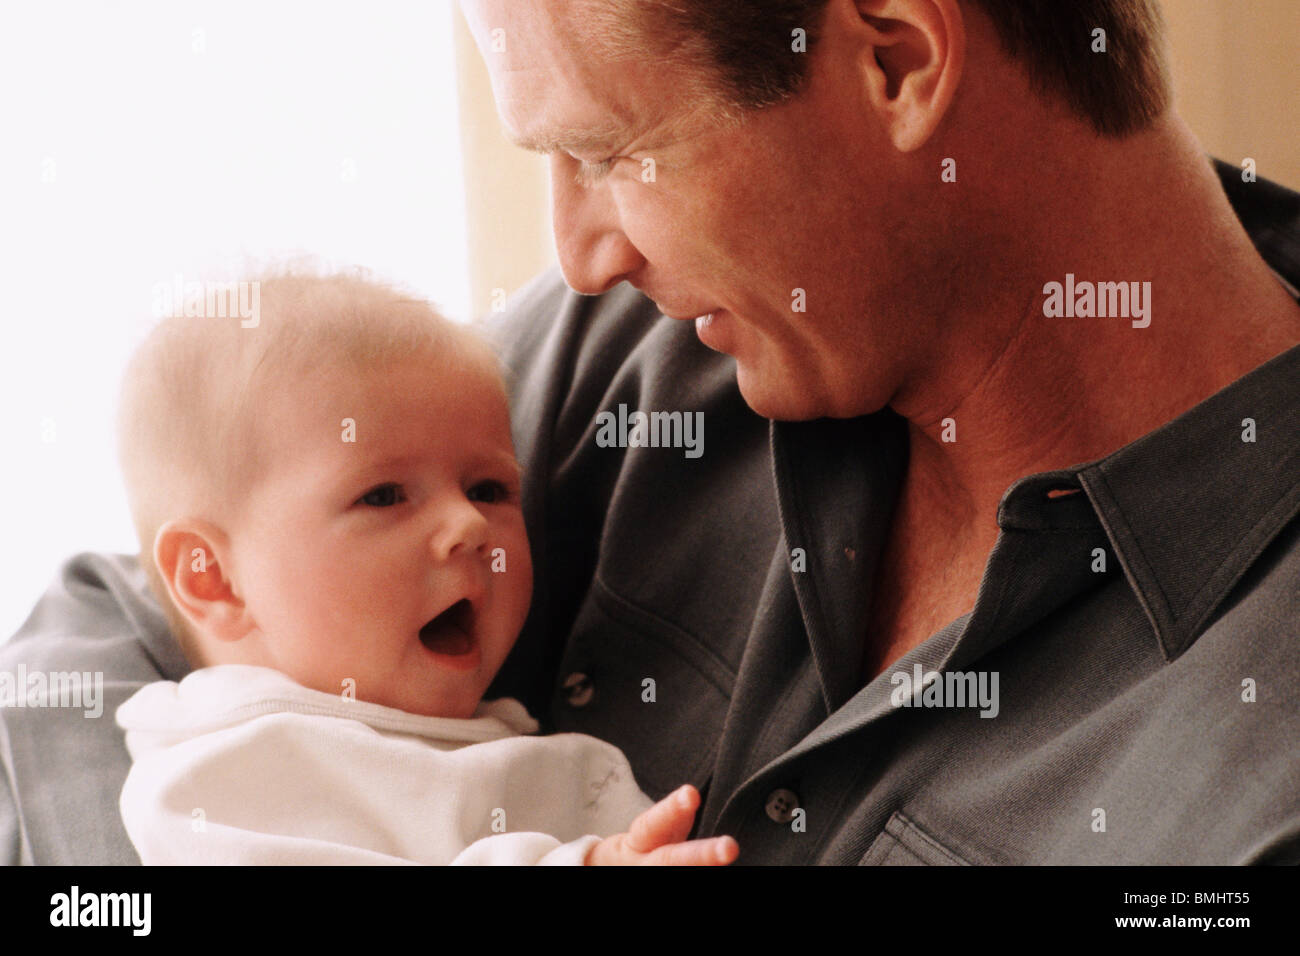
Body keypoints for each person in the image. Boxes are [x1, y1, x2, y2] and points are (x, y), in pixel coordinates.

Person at [2, 0, 1297, 865]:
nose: (577, 253)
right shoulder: (634, 363)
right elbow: (114, 634)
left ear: (896, 58)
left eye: (612, 152)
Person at [106, 273, 737, 866]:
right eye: (383, 496)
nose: (468, 526)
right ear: (211, 577)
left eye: (488, 488)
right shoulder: (222, 776)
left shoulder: (542, 760)